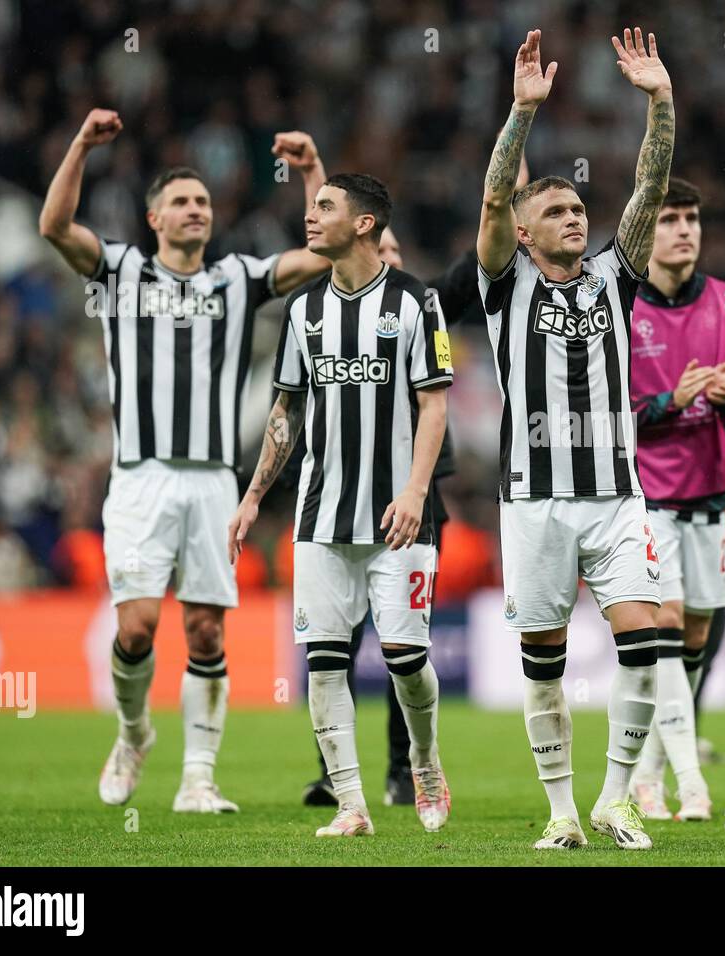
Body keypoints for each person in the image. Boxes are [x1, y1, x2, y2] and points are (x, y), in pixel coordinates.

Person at [38, 108, 329, 812]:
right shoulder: (119, 270)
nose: (196, 209)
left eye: (202, 200)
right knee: (136, 628)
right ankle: (134, 733)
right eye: (181, 201)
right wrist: (79, 143)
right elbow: (53, 227)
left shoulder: (238, 278)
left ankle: (199, 779)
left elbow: (326, 252)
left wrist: (314, 171)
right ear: (153, 218)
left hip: (211, 483)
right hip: (140, 477)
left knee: (204, 628)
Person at [475, 27, 674, 850]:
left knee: (646, 640)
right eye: (554, 210)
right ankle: (560, 812)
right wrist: (521, 114)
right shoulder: (503, 280)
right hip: (535, 501)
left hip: (616, 497)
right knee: (544, 660)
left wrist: (660, 100)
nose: (572, 217)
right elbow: (492, 201)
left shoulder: (613, 274)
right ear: (524, 232)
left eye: (576, 209)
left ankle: (615, 798)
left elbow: (650, 187)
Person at [300, 153, 529, 809]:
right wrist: (316, 171)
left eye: (396, 248)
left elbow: (492, 248)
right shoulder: (324, 307)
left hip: (413, 498)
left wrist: (517, 171)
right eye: (383, 249)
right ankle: (334, 775)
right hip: (336, 501)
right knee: (332, 644)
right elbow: (326, 224)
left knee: (403, 647)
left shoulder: (423, 303)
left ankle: (407, 769)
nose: (389, 257)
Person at [230, 173, 453, 836]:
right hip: (320, 517)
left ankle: (426, 759)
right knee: (324, 661)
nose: (311, 216)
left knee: (407, 663)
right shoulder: (304, 310)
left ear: (364, 224)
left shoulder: (416, 302)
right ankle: (352, 804)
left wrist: (414, 490)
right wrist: (252, 497)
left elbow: (433, 401)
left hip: (396, 520)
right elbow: (287, 410)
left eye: (325, 206)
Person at [627, 177, 725, 820]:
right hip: (647, 496)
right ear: (645, 232)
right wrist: (669, 402)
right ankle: (693, 783)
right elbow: (604, 419)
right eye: (670, 220)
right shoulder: (623, 308)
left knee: (697, 633)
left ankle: (645, 777)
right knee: (668, 621)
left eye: (691, 219)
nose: (685, 230)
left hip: (711, 492)